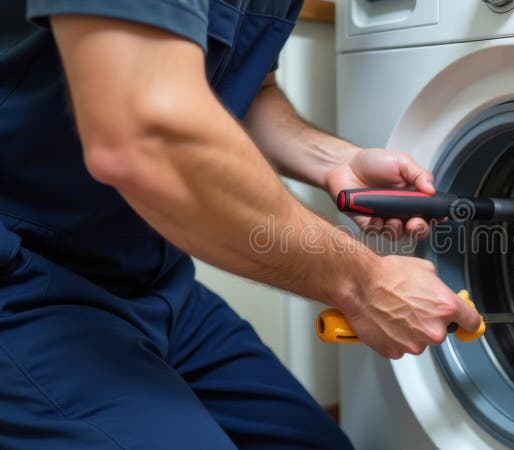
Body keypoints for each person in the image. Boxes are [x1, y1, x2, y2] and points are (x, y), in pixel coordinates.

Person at [0, 1, 482, 449]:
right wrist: (362, 282)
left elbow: (244, 91)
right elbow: (145, 137)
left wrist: (335, 160)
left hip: (150, 273)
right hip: (20, 276)